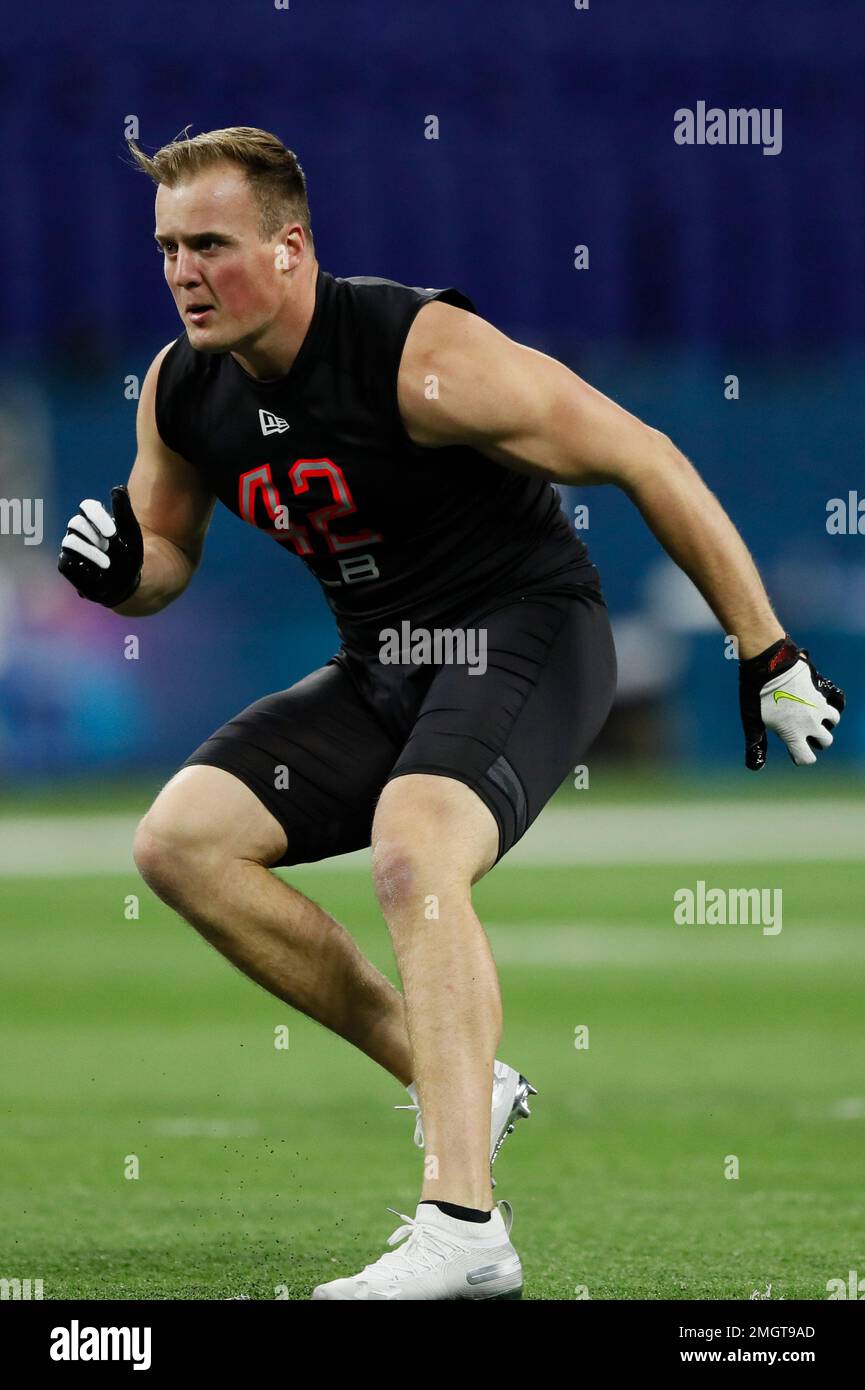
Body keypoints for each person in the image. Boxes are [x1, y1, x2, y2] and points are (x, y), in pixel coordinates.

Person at [58, 127, 844, 1301]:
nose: (181, 271)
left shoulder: (416, 353)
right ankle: (459, 1080)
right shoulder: (186, 387)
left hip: (524, 631)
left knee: (413, 844)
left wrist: (765, 645)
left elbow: (648, 455)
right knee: (180, 841)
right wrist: (122, 572)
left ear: (291, 248)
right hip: (383, 661)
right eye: (167, 246)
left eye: (209, 244)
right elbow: (164, 548)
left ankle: (465, 1226)